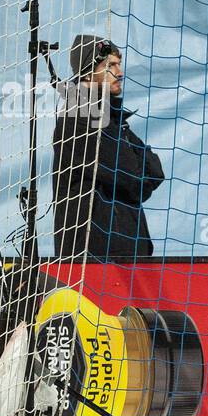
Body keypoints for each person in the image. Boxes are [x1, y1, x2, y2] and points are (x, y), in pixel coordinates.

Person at [52, 35, 165, 261]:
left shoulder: (108, 116)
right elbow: (135, 180)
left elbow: (155, 172)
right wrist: (140, 166)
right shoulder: (83, 115)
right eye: (110, 66)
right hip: (98, 258)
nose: (120, 72)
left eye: (119, 64)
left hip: (121, 251)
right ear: (87, 72)